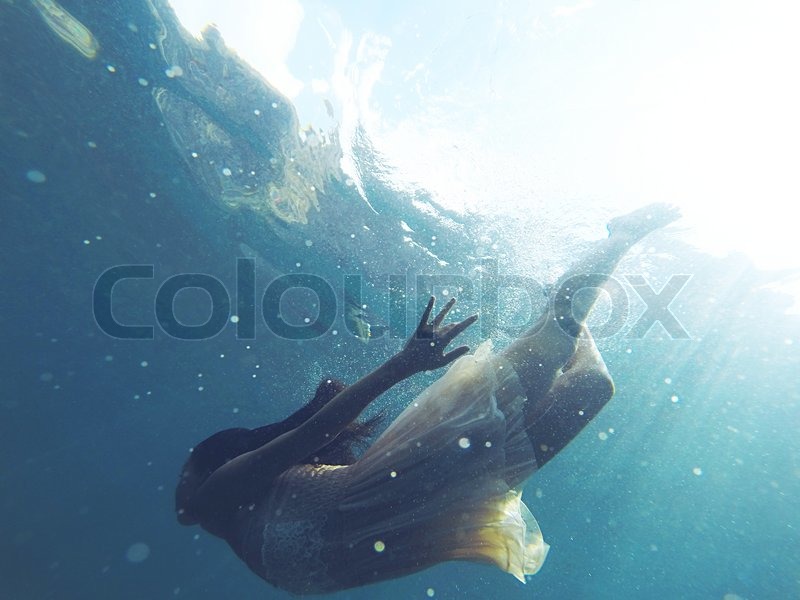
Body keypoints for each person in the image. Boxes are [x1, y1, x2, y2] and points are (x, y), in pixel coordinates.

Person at [175, 203, 679, 594]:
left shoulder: (220, 495)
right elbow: (317, 454)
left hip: (425, 461)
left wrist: (404, 364)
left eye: (186, 476)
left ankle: (618, 239)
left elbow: (311, 434)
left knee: (556, 340)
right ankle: (565, 304)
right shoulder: (254, 548)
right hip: (442, 501)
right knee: (593, 387)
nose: (179, 493)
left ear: (220, 465)